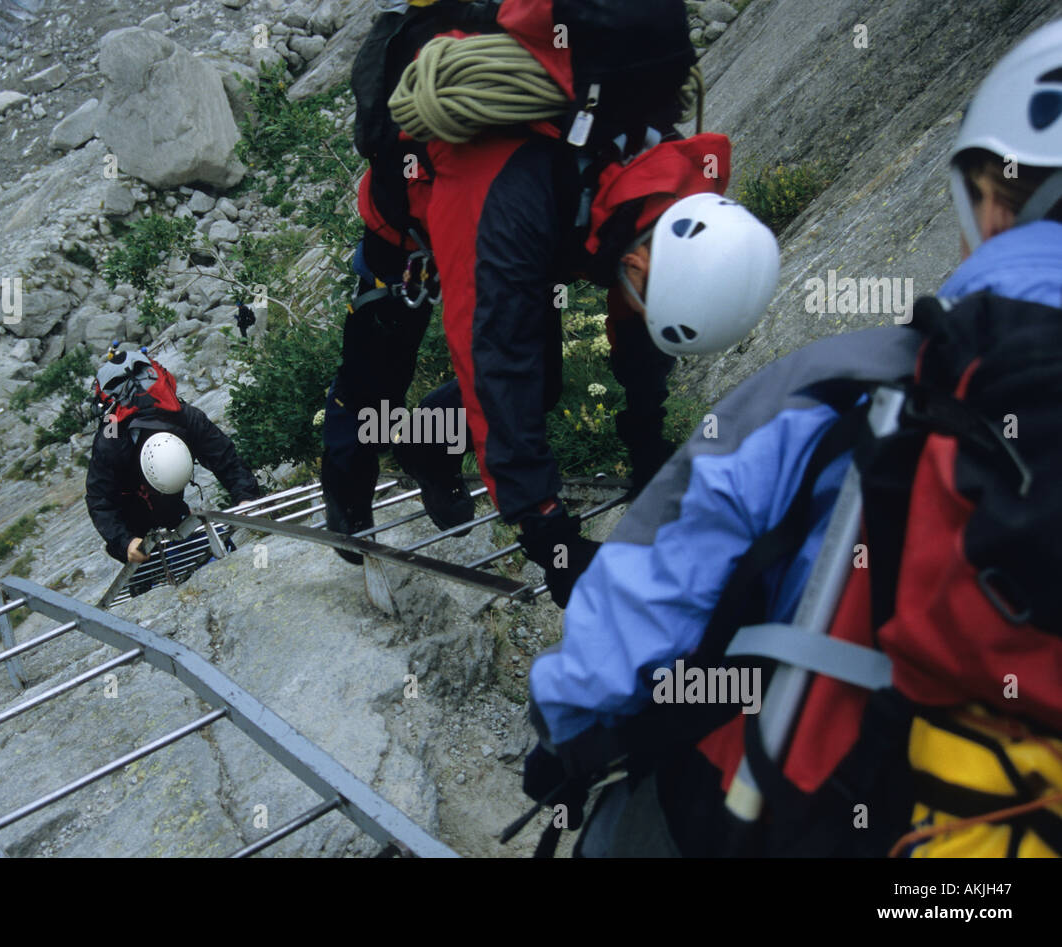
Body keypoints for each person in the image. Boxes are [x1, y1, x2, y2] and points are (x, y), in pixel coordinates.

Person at [522, 20, 1062, 857]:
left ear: (992, 200)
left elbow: (647, 595)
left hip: (790, 813)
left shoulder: (849, 387)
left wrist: (566, 731)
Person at [321, 0, 779, 604]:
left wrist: (645, 432)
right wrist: (549, 535)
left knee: (541, 385)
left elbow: (635, 311)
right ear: (642, 262)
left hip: (539, 223)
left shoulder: (669, 196)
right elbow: (493, 363)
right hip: (413, 223)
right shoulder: (508, 191)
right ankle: (347, 507)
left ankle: (429, 447)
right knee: (376, 378)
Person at [85, 347, 261, 564]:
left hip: (174, 515)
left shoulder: (185, 419)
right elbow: (100, 500)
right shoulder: (111, 442)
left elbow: (225, 458)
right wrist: (126, 543)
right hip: (134, 530)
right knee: (151, 577)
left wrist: (246, 498)